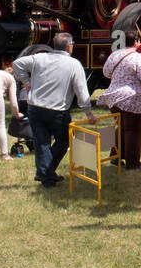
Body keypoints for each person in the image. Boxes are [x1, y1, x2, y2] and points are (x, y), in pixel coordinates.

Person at [14, 34, 96, 186]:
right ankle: (47, 175)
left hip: (35, 108)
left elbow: (17, 64)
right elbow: (82, 91)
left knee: (41, 142)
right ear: (69, 46)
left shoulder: (40, 58)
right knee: (63, 140)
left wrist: (26, 82)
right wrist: (88, 112)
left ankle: (45, 172)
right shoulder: (74, 64)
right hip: (57, 110)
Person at [98, 30, 141, 169]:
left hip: (114, 97)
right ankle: (132, 163)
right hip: (132, 98)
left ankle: (115, 157)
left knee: (121, 127)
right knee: (133, 130)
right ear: (136, 42)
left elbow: (105, 72)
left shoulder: (114, 54)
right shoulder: (138, 57)